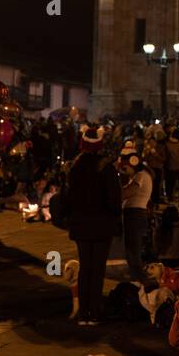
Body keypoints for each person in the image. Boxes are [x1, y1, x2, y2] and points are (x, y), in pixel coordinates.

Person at [65, 125, 121, 325]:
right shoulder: (106, 167)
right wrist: (115, 217)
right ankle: (94, 312)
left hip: (81, 225)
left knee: (85, 267)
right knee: (97, 269)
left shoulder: (75, 167)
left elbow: (69, 197)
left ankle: (83, 312)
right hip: (101, 225)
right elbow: (114, 198)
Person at [119, 146, 154, 287]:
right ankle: (137, 278)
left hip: (135, 215)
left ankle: (140, 280)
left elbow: (125, 193)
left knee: (133, 249)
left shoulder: (141, 176)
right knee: (132, 248)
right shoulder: (137, 176)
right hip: (134, 214)